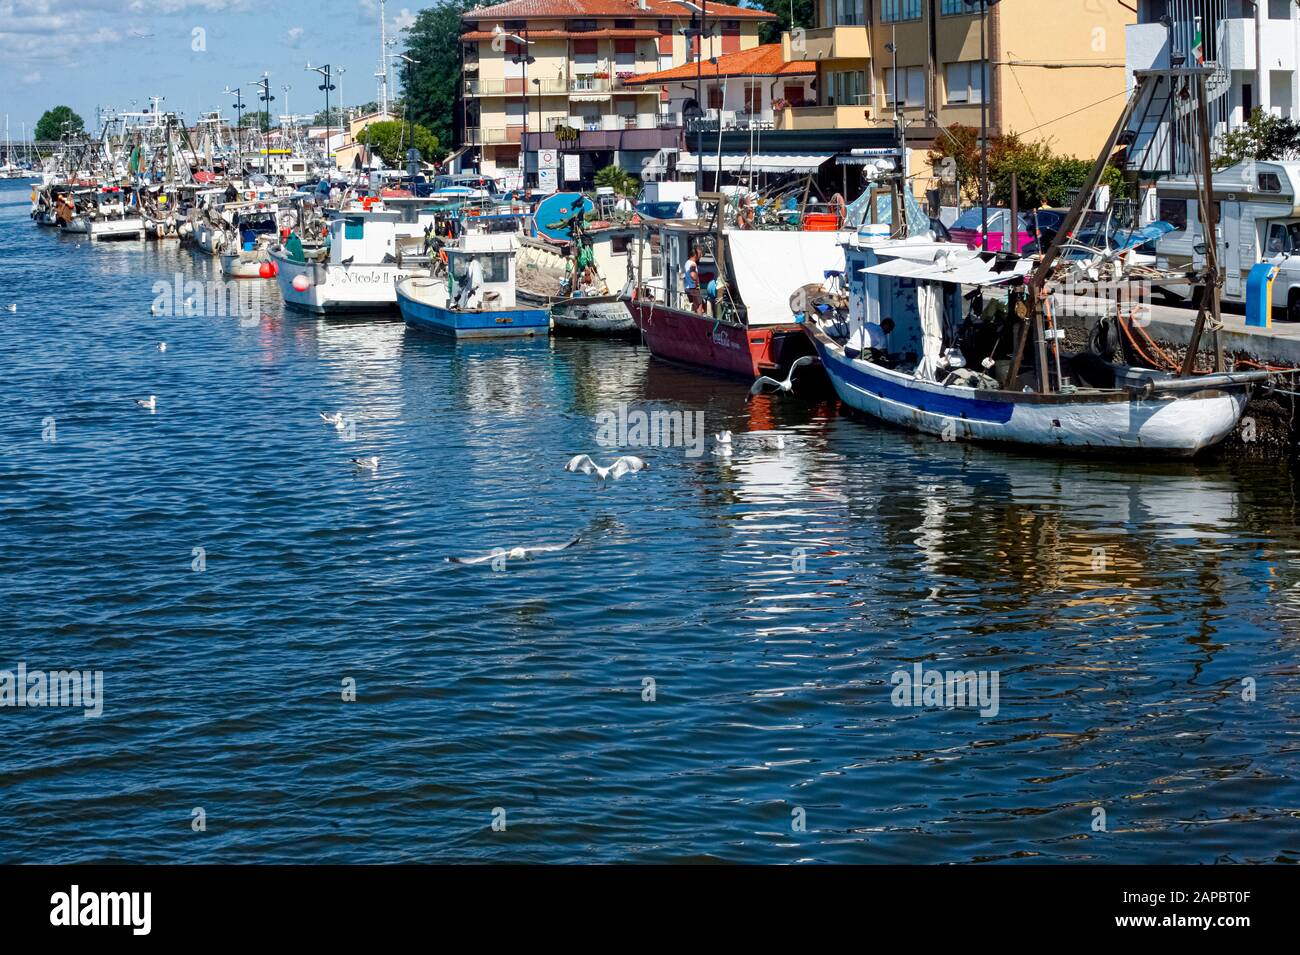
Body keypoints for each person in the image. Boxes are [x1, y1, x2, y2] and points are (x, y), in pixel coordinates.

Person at [684, 246, 704, 314]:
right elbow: (692, 275)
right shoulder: (693, 264)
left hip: (688, 287)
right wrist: (697, 280)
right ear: (696, 255)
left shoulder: (687, 262)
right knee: (699, 306)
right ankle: (699, 322)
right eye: (700, 254)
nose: (701, 256)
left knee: (695, 305)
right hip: (693, 288)